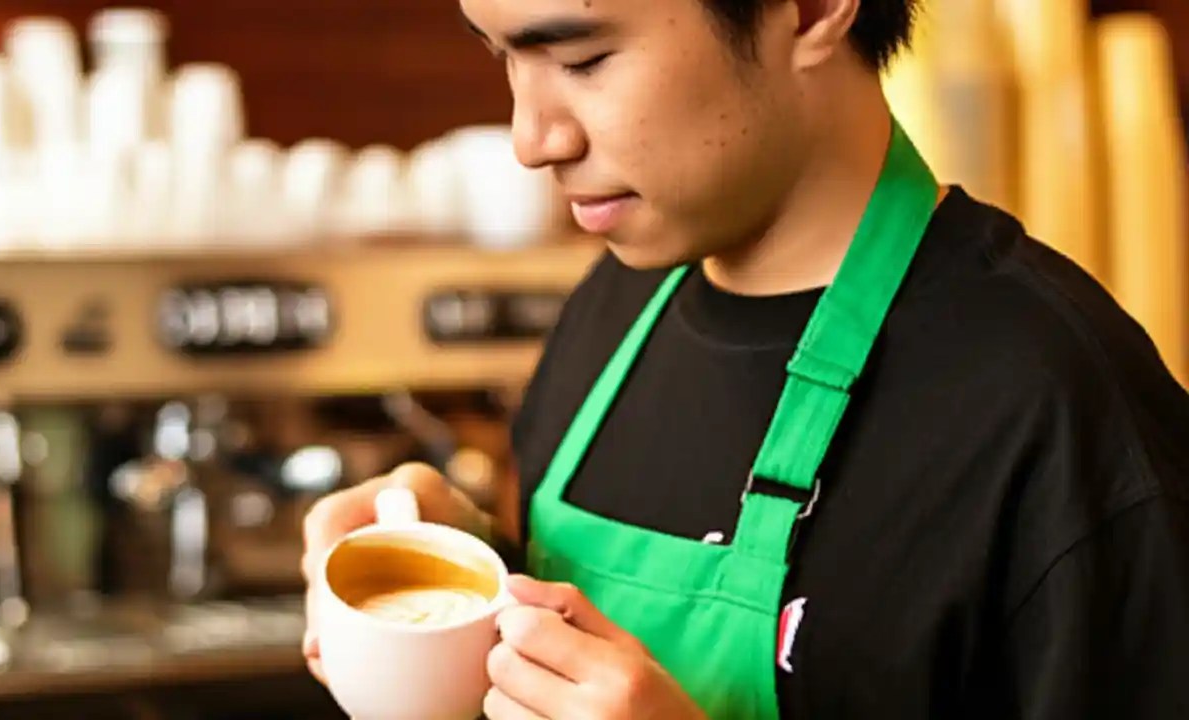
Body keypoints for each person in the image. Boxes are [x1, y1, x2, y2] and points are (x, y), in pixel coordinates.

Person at [301, 0, 1189, 717]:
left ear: (811, 11)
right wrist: (463, 558)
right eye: (504, 57)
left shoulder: (1055, 401)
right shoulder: (611, 307)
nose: (533, 140)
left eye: (583, 60)